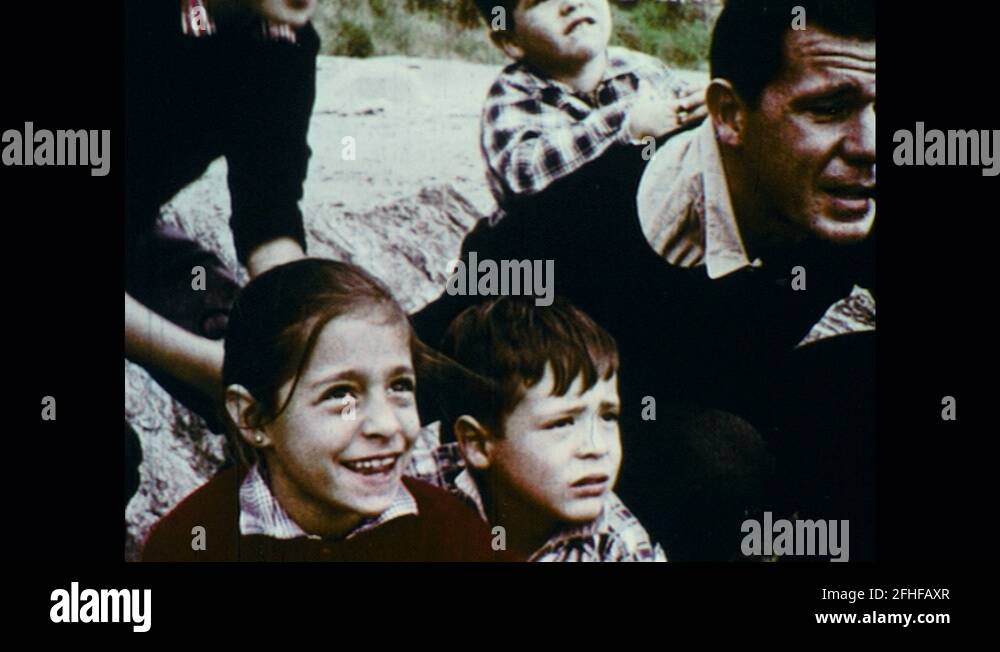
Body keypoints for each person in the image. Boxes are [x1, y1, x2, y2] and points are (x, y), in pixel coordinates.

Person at [631, 0, 877, 559]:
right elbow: (424, 360)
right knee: (707, 455)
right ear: (730, 113)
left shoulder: (858, 179)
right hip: (641, 443)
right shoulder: (583, 230)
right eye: (829, 108)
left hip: (752, 396)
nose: (869, 144)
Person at [142, 260, 498, 561]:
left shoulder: (448, 534)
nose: (386, 424)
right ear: (253, 418)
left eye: (399, 386)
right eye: (340, 394)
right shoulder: (193, 543)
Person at [412, 0, 706, 346]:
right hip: (539, 263)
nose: (571, 4)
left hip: (627, 251)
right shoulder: (513, 93)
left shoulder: (644, 72)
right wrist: (624, 125)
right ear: (511, 41)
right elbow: (523, 176)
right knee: (470, 320)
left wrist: (696, 112)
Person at [124, 0, 321, 509]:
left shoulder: (280, 39)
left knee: (283, 373)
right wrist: (211, 370)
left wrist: (303, 335)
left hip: (133, 234)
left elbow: (268, 217)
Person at [409, 297, 665, 562]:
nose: (597, 447)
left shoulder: (619, 547)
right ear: (477, 444)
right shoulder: (406, 494)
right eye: (562, 423)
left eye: (608, 417)